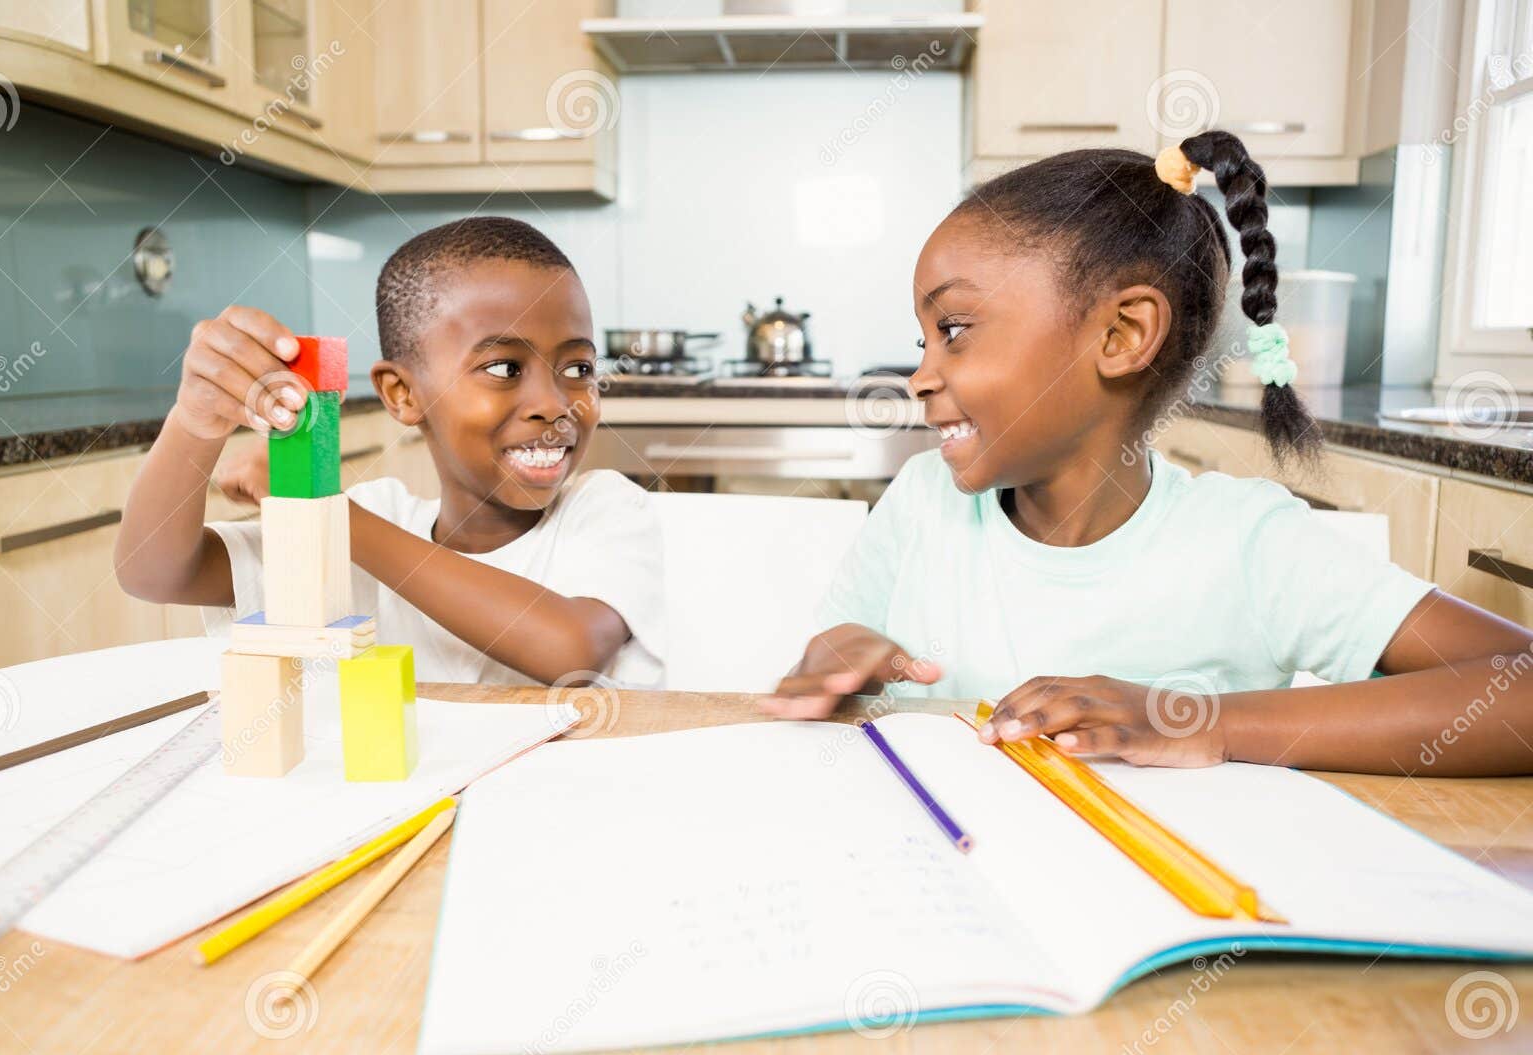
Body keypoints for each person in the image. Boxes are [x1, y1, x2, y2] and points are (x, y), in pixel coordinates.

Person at [765, 132, 1533, 776]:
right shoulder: (921, 501)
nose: (922, 376)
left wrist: (1209, 722)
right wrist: (841, 657)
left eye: (956, 331)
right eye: (922, 340)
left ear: (1123, 335)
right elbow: (838, 640)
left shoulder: (1244, 543)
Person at [116, 216, 665, 686]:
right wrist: (197, 422)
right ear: (402, 395)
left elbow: (568, 650)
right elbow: (155, 574)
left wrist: (327, 508)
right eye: (503, 368)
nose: (554, 402)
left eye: (578, 369)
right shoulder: (380, 515)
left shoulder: (606, 509)